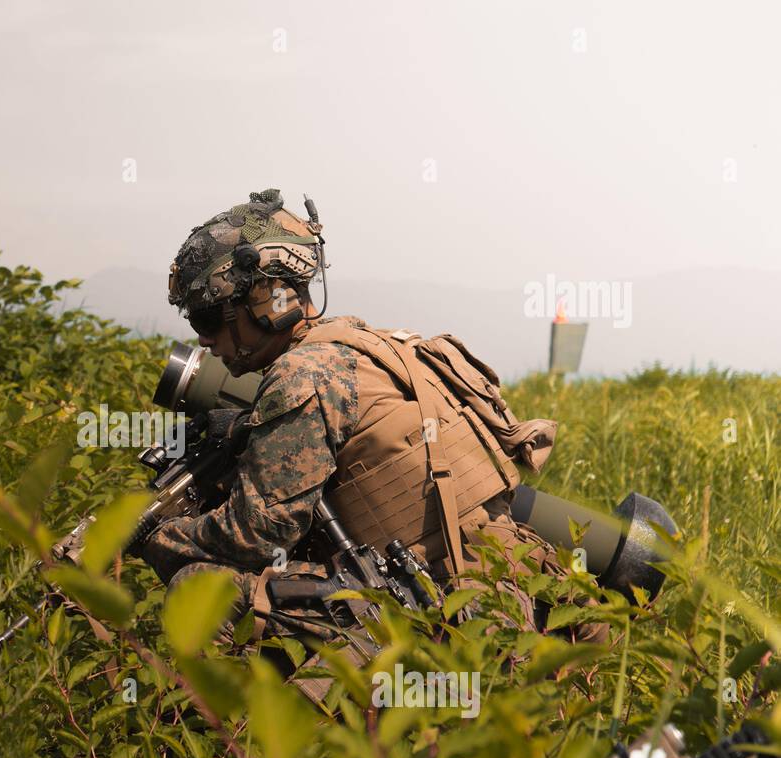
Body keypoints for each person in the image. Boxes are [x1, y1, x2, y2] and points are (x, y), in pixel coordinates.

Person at [132, 188, 604, 704]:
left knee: (201, 588)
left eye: (208, 318)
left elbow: (258, 535)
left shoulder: (303, 375)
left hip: (445, 608)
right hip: (519, 586)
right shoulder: (376, 345)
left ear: (268, 301)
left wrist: (157, 536)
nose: (203, 340)